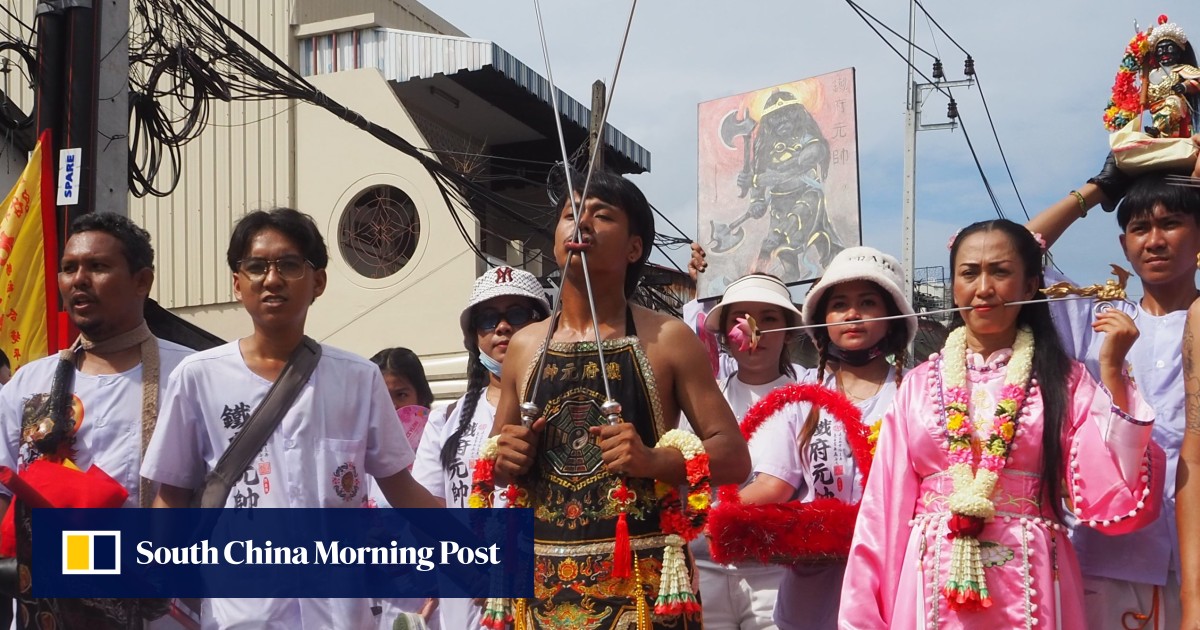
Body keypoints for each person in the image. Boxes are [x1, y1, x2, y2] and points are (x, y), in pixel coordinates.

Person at [839, 219, 1164, 629]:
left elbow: (1112, 490)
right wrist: (864, 618)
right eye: (969, 273)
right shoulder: (918, 385)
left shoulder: (1065, 380)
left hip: (1032, 580)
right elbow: (882, 512)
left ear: (1029, 286)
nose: (984, 288)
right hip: (930, 578)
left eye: (1001, 272)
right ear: (955, 284)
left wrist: (1113, 372)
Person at [143, 208, 439, 629]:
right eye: (256, 266)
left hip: (340, 615)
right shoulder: (198, 377)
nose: (272, 278)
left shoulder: (358, 378)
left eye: (289, 265)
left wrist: (480, 538)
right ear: (237, 282)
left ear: (317, 281)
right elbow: (170, 495)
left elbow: (403, 489)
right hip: (240, 614)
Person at [491, 171, 750, 629]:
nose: (581, 224)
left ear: (634, 247)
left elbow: (733, 458)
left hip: (642, 588)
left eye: (601, 215)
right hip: (537, 590)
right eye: (571, 214)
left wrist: (655, 460)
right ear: (555, 241)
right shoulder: (525, 346)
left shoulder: (669, 339)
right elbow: (493, 462)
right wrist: (506, 457)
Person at [0, 212, 194, 629]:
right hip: (46, 609)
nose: (78, 280)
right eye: (69, 268)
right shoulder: (28, 383)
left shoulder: (191, 376)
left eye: (98, 267)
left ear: (142, 281)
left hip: (157, 611)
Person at [1029, 167, 1200, 629]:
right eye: (1140, 228)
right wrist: (1099, 188)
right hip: (1107, 551)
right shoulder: (1095, 317)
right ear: (1124, 245)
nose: (1155, 240)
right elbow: (1021, 251)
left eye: (1171, 224)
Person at [727, 248, 914, 630]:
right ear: (822, 321)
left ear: (892, 317)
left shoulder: (916, 391)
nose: (852, 315)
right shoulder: (802, 396)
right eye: (840, 305)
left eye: (867, 303)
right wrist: (711, 516)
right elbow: (774, 484)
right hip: (813, 589)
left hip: (894, 574)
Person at [409, 266, 549, 629]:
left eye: (517, 315)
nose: (502, 328)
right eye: (488, 319)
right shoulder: (446, 420)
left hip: (547, 592)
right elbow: (428, 514)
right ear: (474, 337)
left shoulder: (566, 411)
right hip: (465, 600)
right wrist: (471, 570)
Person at [1143, 16, 1200, 139]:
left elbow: (1197, 81)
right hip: (1155, 112)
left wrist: (1185, 86)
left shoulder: (1182, 68)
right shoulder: (1151, 75)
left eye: (1169, 48)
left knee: (1174, 100)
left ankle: (1157, 129)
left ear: (1178, 52)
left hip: (1177, 113)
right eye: (1160, 50)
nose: (1164, 53)